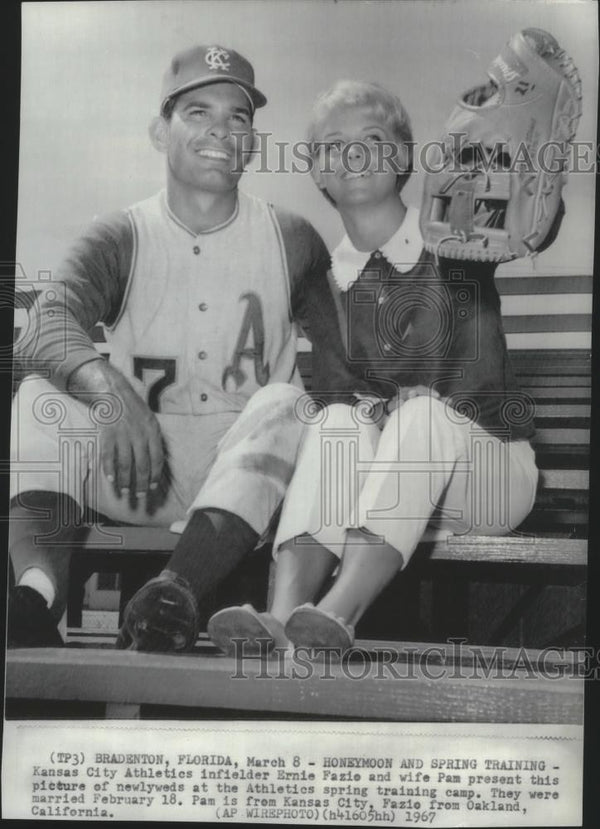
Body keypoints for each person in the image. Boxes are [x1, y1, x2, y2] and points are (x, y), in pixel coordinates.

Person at [207, 29, 580, 656]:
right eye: (333, 146)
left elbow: (533, 222)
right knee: (335, 425)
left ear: (405, 157)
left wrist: (538, 163)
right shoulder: (319, 283)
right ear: (317, 171)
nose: (352, 155)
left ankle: (341, 611)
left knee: (423, 414)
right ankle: (283, 617)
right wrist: (371, 413)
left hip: (486, 478)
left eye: (373, 141)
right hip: (387, 489)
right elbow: (343, 407)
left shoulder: (457, 232)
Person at [8, 44, 351, 652]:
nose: (221, 129)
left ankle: (172, 593)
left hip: (249, 483)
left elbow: (342, 371)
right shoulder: (121, 233)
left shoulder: (292, 237)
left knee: (286, 401)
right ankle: (34, 596)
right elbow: (42, 326)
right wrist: (111, 390)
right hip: (139, 472)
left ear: (251, 142)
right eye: (198, 111)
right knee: (39, 396)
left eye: (238, 117)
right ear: (159, 130)